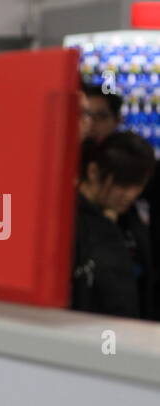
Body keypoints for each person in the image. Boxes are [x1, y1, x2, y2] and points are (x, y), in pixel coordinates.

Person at [72, 131, 156, 319]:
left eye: (138, 186)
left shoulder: (131, 218)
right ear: (94, 172)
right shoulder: (69, 223)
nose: (131, 194)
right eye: (123, 185)